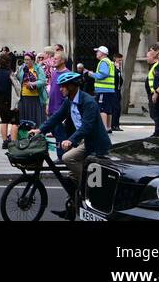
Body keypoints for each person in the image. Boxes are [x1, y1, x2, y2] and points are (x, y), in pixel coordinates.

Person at [31, 69, 111, 216]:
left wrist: (70, 140)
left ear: (72, 86)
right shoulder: (69, 101)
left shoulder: (88, 102)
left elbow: (87, 126)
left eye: (63, 86)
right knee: (72, 178)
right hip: (83, 140)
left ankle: (92, 185)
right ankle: (72, 210)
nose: (61, 89)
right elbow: (56, 117)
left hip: (95, 144)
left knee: (68, 158)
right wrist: (40, 130)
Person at [0, 54, 19, 149]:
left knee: (4, 121)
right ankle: (13, 142)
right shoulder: (10, 73)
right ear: (9, 62)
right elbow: (17, 87)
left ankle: (5, 141)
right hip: (9, 100)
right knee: (15, 122)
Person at [16, 51, 45, 132]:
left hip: (36, 98)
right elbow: (17, 78)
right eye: (25, 60)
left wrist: (33, 84)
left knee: (36, 119)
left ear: (33, 60)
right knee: (24, 119)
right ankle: (24, 136)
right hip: (24, 97)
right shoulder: (22, 68)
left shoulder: (38, 68)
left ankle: (36, 136)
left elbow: (43, 81)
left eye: (28, 60)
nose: (26, 61)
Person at [91, 46, 117, 132]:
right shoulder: (109, 62)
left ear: (102, 53)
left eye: (97, 52)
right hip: (110, 90)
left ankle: (104, 128)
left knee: (102, 109)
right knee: (108, 109)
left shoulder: (103, 62)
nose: (96, 53)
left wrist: (92, 74)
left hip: (103, 90)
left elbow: (104, 74)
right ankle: (109, 127)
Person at [111, 53, 125, 132]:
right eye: (119, 60)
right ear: (115, 59)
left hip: (118, 90)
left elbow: (120, 80)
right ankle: (114, 125)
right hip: (114, 90)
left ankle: (116, 124)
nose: (120, 62)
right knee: (116, 108)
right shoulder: (113, 68)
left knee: (118, 109)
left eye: (121, 60)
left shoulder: (118, 69)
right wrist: (116, 69)